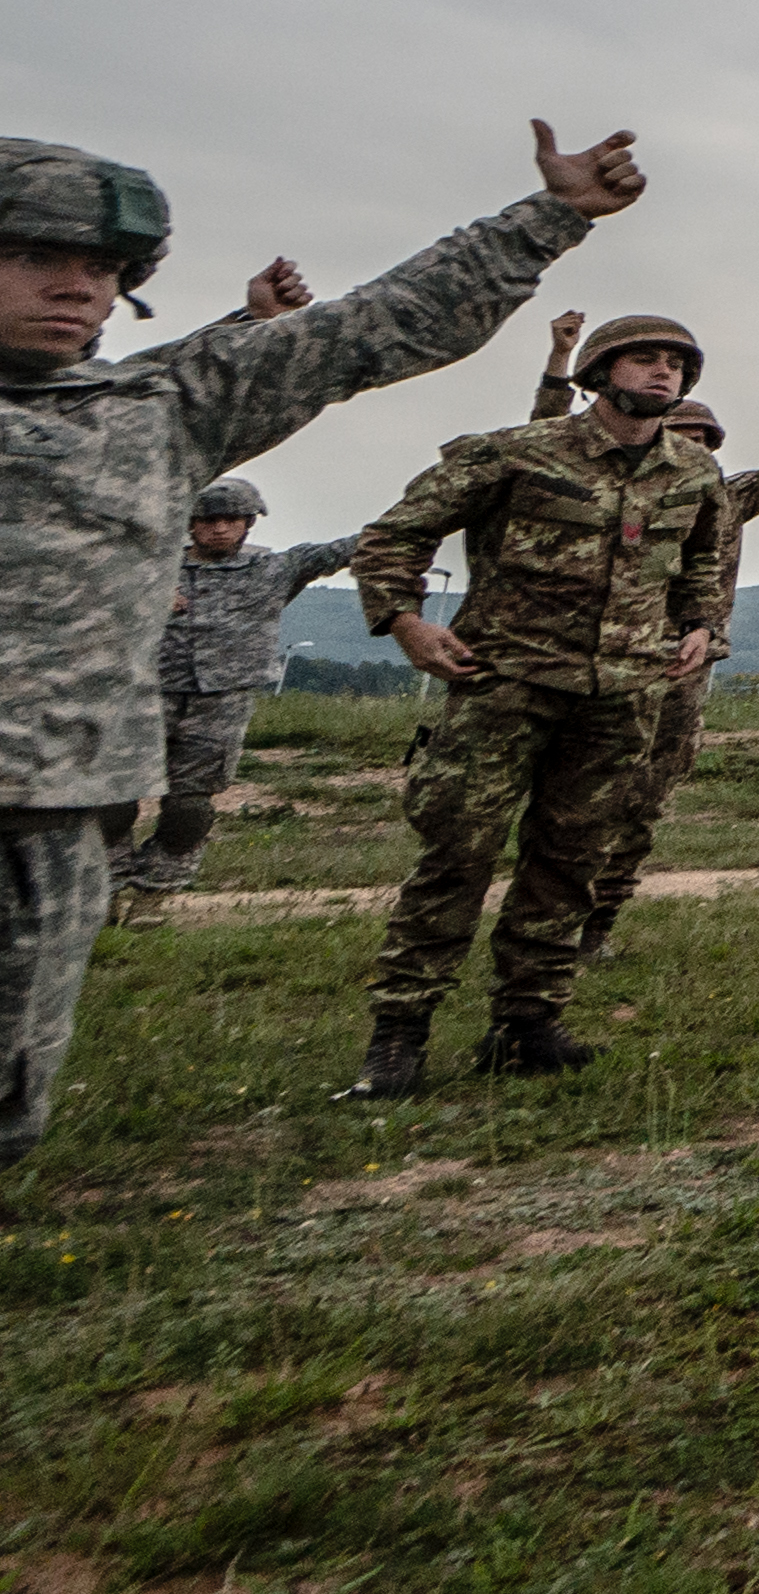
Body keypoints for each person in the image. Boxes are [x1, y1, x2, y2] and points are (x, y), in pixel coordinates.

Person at [3, 119, 635, 1156]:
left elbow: (371, 329)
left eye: (104, 266)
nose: (80, 285)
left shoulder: (155, 407)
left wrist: (552, 216)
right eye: (38, 255)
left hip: (51, 811)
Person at [345, 313, 733, 1094]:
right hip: (503, 685)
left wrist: (699, 628)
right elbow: (393, 534)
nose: (663, 374)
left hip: (619, 697)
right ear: (597, 371)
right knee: (457, 854)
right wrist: (405, 622)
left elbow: (702, 559)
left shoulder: (692, 472)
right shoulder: (517, 452)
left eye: (675, 364)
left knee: (570, 863)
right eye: (644, 359)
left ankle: (525, 1024)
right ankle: (399, 1034)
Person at [526, 314, 759, 960]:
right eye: (684, 433)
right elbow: (543, 441)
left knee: (645, 802)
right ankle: (546, 925)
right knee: (576, 798)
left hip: (685, 673)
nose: (697, 445)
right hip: (606, 663)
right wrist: (559, 360)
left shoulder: (729, 499)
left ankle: (596, 931)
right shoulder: (610, 484)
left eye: (707, 438)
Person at [111, 477, 358, 917]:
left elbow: (349, 547)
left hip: (220, 702)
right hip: (142, 695)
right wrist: (145, 596)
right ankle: (103, 889)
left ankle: (155, 893)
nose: (220, 529)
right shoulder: (147, 568)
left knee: (190, 805)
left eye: (232, 520)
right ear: (189, 523)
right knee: (112, 798)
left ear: (248, 523)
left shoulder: (272, 569)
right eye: (209, 520)